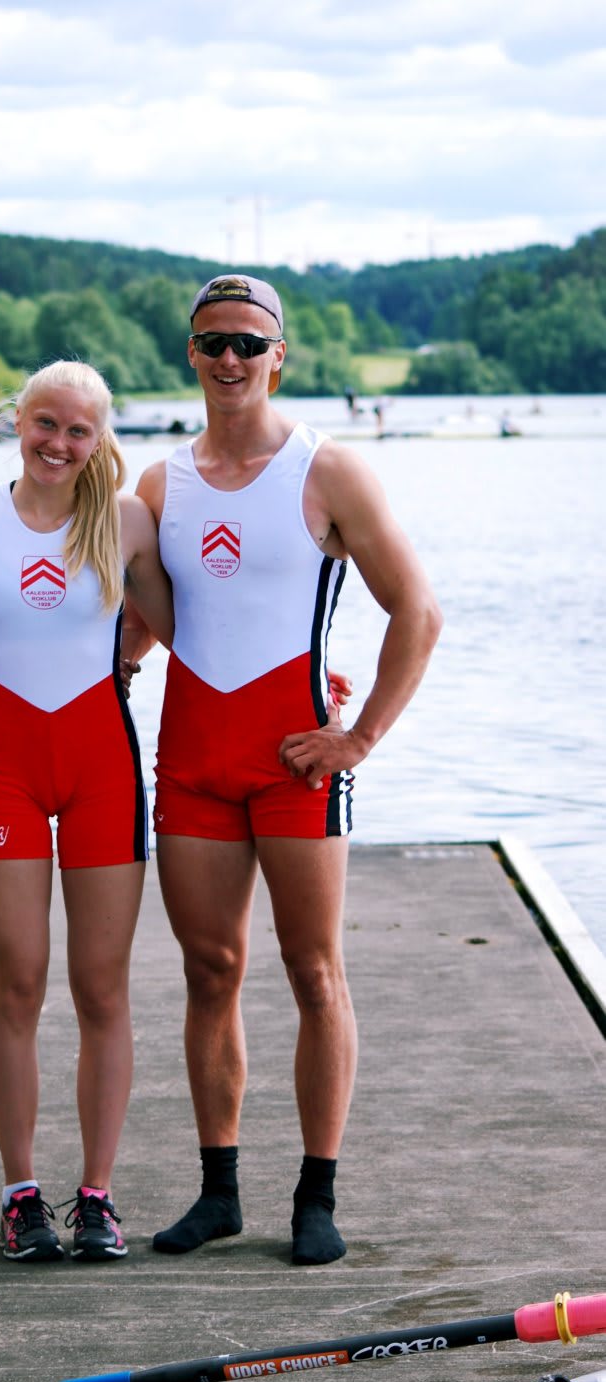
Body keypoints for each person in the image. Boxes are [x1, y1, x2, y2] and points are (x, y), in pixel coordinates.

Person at [129, 275, 442, 1265]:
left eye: (247, 344)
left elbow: (417, 613)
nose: (229, 360)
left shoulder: (327, 472)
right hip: (189, 762)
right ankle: (217, 1190)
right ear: (190, 353)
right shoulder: (154, 483)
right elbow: (138, 621)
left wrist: (357, 738)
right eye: (212, 342)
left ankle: (315, 1192)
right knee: (208, 967)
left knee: (312, 970)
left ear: (279, 357)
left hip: (293, 766)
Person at [0, 360, 172, 1264]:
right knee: (19, 981)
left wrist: (125, 661)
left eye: (80, 430)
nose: (59, 443)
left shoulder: (124, 521)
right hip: (2, 764)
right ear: (19, 420)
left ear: (100, 438)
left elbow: (172, 618)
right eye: (45, 423)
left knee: (101, 986)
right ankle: (20, 1194)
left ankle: (98, 1195)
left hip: (101, 766)